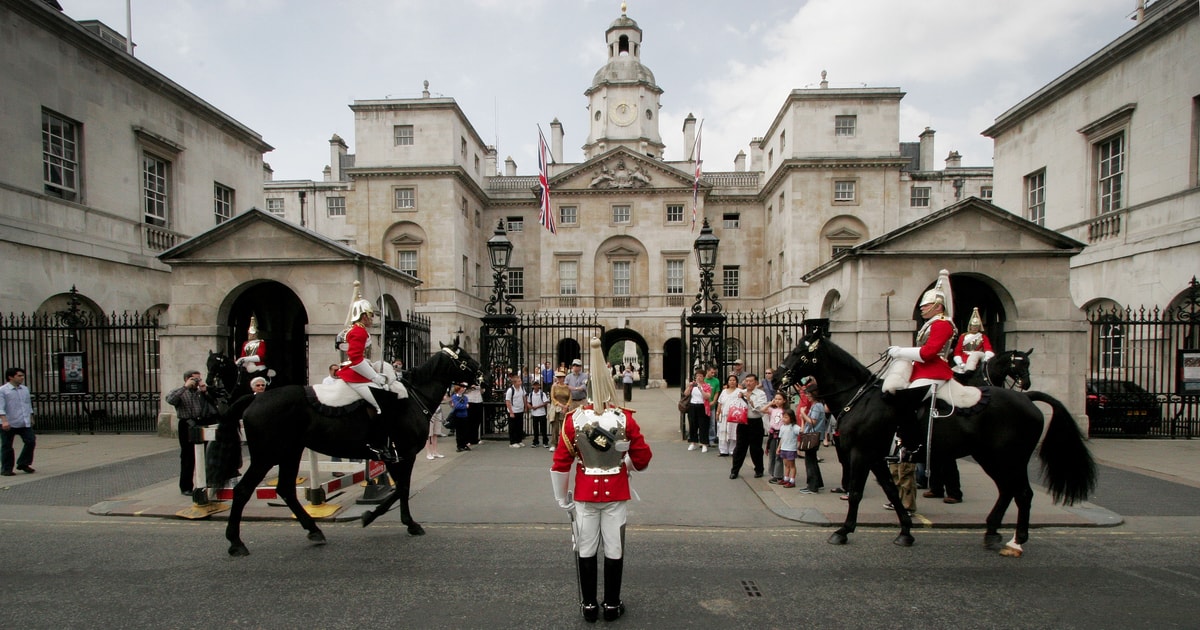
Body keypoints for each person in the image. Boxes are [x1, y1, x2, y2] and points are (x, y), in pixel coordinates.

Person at [550, 361, 653, 622]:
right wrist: (624, 462)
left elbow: (561, 462)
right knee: (614, 548)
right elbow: (642, 458)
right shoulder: (625, 418)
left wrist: (562, 498)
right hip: (616, 493)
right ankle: (611, 604)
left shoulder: (574, 420)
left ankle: (588, 606)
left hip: (585, 494)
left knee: (585, 548)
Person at [335, 284, 399, 462]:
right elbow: (355, 359)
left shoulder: (358, 331)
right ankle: (376, 444)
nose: (372, 319)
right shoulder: (359, 331)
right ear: (364, 316)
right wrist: (375, 376)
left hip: (356, 373)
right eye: (371, 315)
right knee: (384, 404)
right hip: (355, 376)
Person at [883, 268, 957, 395]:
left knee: (908, 398)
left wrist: (899, 351)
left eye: (926, 305)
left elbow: (928, 353)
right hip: (921, 369)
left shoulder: (942, 324)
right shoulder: (931, 324)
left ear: (938, 306)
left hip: (934, 371)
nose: (921, 308)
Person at [165, 370, 219, 496]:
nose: (197, 382)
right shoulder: (179, 392)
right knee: (188, 456)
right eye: (195, 379)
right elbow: (171, 400)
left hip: (202, 423)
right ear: (187, 379)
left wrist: (205, 390)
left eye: (199, 379)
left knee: (206, 454)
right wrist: (185, 387)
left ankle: (206, 482)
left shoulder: (202, 393)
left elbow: (215, 403)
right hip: (187, 424)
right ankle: (186, 486)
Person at [730, 373, 768, 479]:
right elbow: (734, 405)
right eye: (747, 381)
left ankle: (759, 469)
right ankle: (735, 470)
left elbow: (760, 410)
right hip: (743, 422)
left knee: (755, 448)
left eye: (751, 381)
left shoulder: (761, 394)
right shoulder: (741, 392)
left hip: (755, 422)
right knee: (739, 448)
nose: (748, 383)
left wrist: (749, 399)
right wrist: (739, 398)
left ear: (756, 382)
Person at [0, 367, 36, 477]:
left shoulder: (24, 389)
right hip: (9, 422)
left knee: (30, 441)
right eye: (19, 376)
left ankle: (23, 463)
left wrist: (30, 417)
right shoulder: (3, 390)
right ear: (11, 377)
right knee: (7, 446)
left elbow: (27, 404)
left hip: (23, 421)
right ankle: (6, 468)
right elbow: (0, 407)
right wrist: (4, 420)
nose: (22, 378)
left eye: (22, 376)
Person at [799, 381, 827, 494]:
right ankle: (818, 483)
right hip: (815, 435)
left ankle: (812, 485)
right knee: (812, 459)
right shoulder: (818, 405)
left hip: (812, 435)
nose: (807, 396)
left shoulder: (816, 406)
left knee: (810, 461)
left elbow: (812, 422)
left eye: (809, 394)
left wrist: (803, 414)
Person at [953, 307, 995, 374]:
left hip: (977, 359)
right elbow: (957, 351)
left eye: (977, 326)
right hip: (963, 360)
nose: (975, 328)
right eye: (973, 326)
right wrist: (960, 362)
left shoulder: (983, 337)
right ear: (970, 326)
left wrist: (986, 358)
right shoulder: (963, 336)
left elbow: (988, 349)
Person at [684, 368, 712, 453]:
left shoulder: (707, 386)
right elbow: (686, 393)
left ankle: (704, 443)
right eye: (697, 376)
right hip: (693, 406)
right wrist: (689, 387)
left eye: (700, 376)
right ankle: (693, 442)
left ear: (703, 377)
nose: (698, 378)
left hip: (702, 406)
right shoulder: (693, 385)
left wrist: (701, 389)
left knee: (703, 425)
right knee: (693, 424)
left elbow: (707, 396)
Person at [715, 374, 743, 456]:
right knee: (723, 432)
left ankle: (733, 450)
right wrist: (718, 412)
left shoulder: (739, 392)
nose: (732, 382)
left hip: (734, 416)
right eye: (730, 380)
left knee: (733, 433)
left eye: (734, 380)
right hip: (724, 415)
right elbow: (720, 403)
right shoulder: (724, 391)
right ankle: (723, 450)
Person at [764, 392, 788, 484]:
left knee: (779, 455)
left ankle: (778, 475)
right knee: (772, 454)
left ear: (784, 400)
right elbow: (762, 410)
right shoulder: (773, 410)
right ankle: (773, 472)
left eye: (780, 399)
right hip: (772, 433)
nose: (777, 401)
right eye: (776, 399)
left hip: (781, 434)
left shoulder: (785, 411)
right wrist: (771, 403)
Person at [776, 408, 801, 488]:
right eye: (783, 417)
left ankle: (792, 480)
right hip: (784, 448)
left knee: (792, 465)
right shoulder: (783, 427)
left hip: (791, 449)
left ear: (791, 418)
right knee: (786, 464)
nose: (784, 419)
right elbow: (781, 438)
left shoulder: (794, 427)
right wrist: (779, 447)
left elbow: (801, 431)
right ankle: (786, 478)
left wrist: (803, 420)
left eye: (786, 417)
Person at [504, 372, 527, 447]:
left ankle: (519, 440)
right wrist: (511, 412)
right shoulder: (510, 390)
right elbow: (508, 401)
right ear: (514, 382)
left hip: (520, 410)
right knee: (513, 427)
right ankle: (512, 442)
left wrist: (525, 407)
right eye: (519, 381)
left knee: (519, 426)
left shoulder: (522, 388)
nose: (521, 382)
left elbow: (524, 397)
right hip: (513, 411)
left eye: (520, 381)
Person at [549, 370, 570, 448]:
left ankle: (564, 444)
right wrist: (560, 405)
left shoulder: (567, 387)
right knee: (555, 427)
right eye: (558, 377)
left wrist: (566, 406)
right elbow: (552, 397)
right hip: (555, 407)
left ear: (564, 378)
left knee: (564, 427)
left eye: (561, 377)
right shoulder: (554, 386)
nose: (559, 379)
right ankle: (554, 443)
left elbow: (570, 398)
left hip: (564, 408)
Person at [528, 379, 551, 448]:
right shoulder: (531, 394)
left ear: (539, 385)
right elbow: (528, 402)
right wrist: (531, 407)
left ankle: (545, 441)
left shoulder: (542, 394)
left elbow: (545, 402)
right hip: (534, 414)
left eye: (537, 385)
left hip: (541, 413)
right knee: (535, 429)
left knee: (543, 428)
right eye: (534, 385)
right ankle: (535, 441)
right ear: (533, 386)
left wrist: (537, 407)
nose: (535, 386)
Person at [450, 383, 472, 452]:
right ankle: (459, 445)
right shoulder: (454, 397)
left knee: (465, 431)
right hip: (458, 416)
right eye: (462, 388)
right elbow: (457, 406)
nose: (463, 389)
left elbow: (465, 404)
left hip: (464, 415)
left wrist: (463, 406)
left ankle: (464, 444)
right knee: (459, 431)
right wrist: (464, 406)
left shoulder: (465, 397)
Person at [426, 389, 446, 460]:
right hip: (430, 411)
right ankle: (428, 452)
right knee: (429, 433)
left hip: (438, 410)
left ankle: (435, 451)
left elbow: (444, 398)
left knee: (436, 433)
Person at [705, 365, 721, 447]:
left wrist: (714, 401)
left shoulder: (716, 381)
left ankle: (711, 438)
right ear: (707, 371)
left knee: (712, 423)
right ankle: (703, 439)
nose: (713, 374)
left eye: (714, 373)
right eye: (712, 372)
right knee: (703, 423)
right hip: (703, 405)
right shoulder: (703, 380)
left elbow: (717, 392)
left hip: (711, 405)